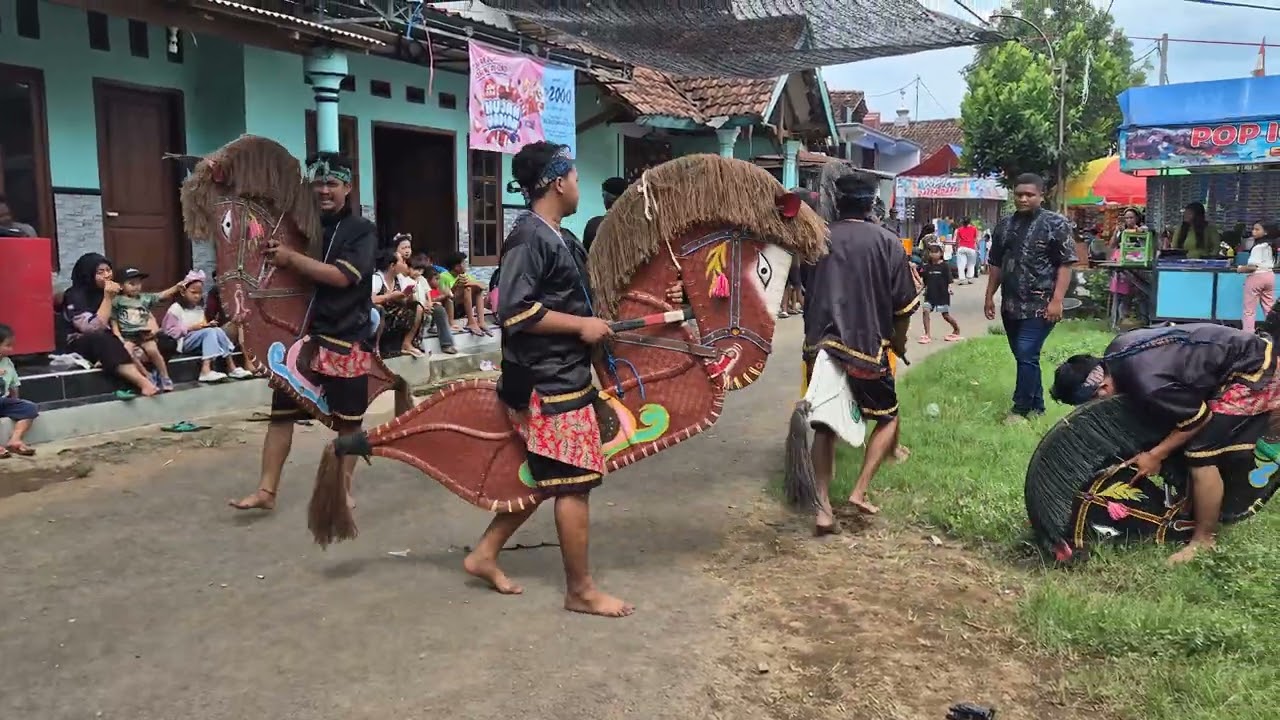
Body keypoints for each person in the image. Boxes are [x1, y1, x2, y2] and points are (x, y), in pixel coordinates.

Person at [463, 141, 683, 617]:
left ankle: (484, 554)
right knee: (572, 484)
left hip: (568, 374)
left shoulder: (561, 237)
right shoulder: (529, 237)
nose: (580, 188)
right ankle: (579, 590)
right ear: (558, 182)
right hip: (548, 383)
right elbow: (514, 311)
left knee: (550, 477)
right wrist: (580, 326)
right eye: (577, 179)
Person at [1049, 323, 1277, 564]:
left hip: (1255, 370)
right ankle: (1191, 507)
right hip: (1232, 358)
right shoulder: (1117, 352)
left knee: (1200, 452)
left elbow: (1198, 418)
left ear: (1103, 387)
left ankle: (1204, 540)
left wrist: (1156, 455)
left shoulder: (1147, 383)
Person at [229, 152, 377, 512]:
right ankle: (266, 491)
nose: (324, 190)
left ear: (348, 187)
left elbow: (344, 277)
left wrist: (292, 259)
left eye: (332, 183)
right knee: (281, 415)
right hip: (296, 339)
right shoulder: (294, 227)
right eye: (318, 183)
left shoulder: (362, 231)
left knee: (349, 423)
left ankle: (341, 491)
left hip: (344, 336)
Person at [802, 174, 919, 531]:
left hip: (820, 349)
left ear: (838, 203)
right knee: (887, 417)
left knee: (824, 427)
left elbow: (805, 290)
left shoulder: (816, 240)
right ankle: (859, 492)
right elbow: (904, 306)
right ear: (871, 205)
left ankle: (823, 508)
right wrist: (898, 342)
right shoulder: (888, 242)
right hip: (867, 350)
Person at [984, 173, 1074, 424]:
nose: (1023, 199)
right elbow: (996, 263)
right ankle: (1038, 406)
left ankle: (1020, 409)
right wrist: (989, 295)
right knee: (1025, 357)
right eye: (1019, 194)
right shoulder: (1004, 225)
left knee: (1026, 353)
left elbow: (1065, 264)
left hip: (1041, 304)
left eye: (1029, 194)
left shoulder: (1055, 223)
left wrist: (1057, 300)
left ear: (1041, 196)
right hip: (1010, 304)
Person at [60, 253, 160, 399]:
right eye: (100, 272)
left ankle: (136, 370)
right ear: (88, 274)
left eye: (108, 270)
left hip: (119, 337)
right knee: (103, 339)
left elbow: (136, 313)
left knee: (165, 339)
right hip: (84, 341)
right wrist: (107, 298)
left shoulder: (117, 291)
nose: (107, 275)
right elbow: (92, 328)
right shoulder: (75, 295)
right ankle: (143, 382)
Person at [161, 270, 253, 382]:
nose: (197, 296)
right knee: (209, 332)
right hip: (183, 341)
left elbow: (202, 326)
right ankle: (205, 370)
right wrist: (192, 328)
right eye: (193, 292)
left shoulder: (199, 309)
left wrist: (207, 325)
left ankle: (231, 366)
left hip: (198, 339)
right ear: (183, 292)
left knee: (216, 330)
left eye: (199, 293)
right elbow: (169, 331)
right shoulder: (176, 308)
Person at [109, 267, 187, 392]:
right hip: (128, 336)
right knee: (127, 352)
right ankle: (146, 375)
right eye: (131, 284)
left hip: (145, 334)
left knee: (153, 350)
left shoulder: (144, 298)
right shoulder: (117, 301)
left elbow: (161, 295)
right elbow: (114, 321)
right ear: (121, 286)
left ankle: (165, 376)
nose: (136, 287)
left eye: (138, 283)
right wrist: (118, 336)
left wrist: (176, 288)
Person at [372, 248, 425, 357]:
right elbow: (370, 300)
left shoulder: (400, 279)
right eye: (402, 262)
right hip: (382, 317)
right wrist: (390, 297)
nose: (405, 264)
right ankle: (376, 348)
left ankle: (406, 343)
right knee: (378, 309)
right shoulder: (377, 278)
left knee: (417, 307)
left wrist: (409, 295)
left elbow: (407, 301)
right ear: (392, 265)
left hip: (396, 316)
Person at [0, 323, 39, 458]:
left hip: (3, 401)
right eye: (7, 345)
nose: (11, 349)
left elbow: (13, 385)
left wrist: (15, 401)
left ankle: (15, 440)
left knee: (30, 408)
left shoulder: (8, 363)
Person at [408, 254, 457, 354]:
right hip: (415, 308)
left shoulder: (422, 280)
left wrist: (430, 303)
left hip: (426, 305)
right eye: (415, 269)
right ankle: (417, 344)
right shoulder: (406, 280)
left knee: (439, 309)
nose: (418, 273)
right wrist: (422, 306)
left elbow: (428, 294)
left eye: (420, 270)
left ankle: (447, 344)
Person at [1239, 222, 1278, 334]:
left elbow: (1252, 267)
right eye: (1253, 229)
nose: (1253, 232)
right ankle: (1274, 332)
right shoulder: (1271, 246)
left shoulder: (1257, 247)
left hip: (1256, 277)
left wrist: (1240, 269)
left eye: (1257, 230)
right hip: (1270, 276)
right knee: (1269, 307)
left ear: (1265, 232)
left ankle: (1248, 334)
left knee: (1249, 310)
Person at [440, 251, 491, 337]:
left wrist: (472, 283)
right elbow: (444, 295)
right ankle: (470, 322)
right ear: (456, 266)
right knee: (467, 288)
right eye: (464, 263)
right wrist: (456, 286)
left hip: (463, 305)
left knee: (477, 289)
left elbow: (483, 287)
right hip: (451, 307)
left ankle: (481, 321)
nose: (466, 265)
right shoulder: (443, 276)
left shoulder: (465, 275)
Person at [918, 244, 960, 344]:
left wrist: (949, 289)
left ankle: (956, 329)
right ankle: (927, 334)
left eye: (935, 252)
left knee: (945, 315)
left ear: (940, 253)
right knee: (925, 311)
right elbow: (924, 282)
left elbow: (949, 280)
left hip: (942, 295)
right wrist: (919, 290)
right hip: (930, 295)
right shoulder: (927, 267)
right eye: (931, 252)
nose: (933, 254)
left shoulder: (945, 266)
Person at [582, 177, 629, 252]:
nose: (602, 197)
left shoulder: (594, 225)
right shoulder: (637, 226)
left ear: (610, 198)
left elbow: (585, 258)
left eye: (603, 194)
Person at [954, 217, 979, 285]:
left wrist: (956, 247)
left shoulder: (959, 229)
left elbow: (957, 240)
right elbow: (976, 239)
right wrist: (978, 246)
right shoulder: (974, 229)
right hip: (971, 248)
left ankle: (961, 279)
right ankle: (970, 279)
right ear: (969, 221)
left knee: (961, 264)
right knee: (971, 264)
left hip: (961, 248)